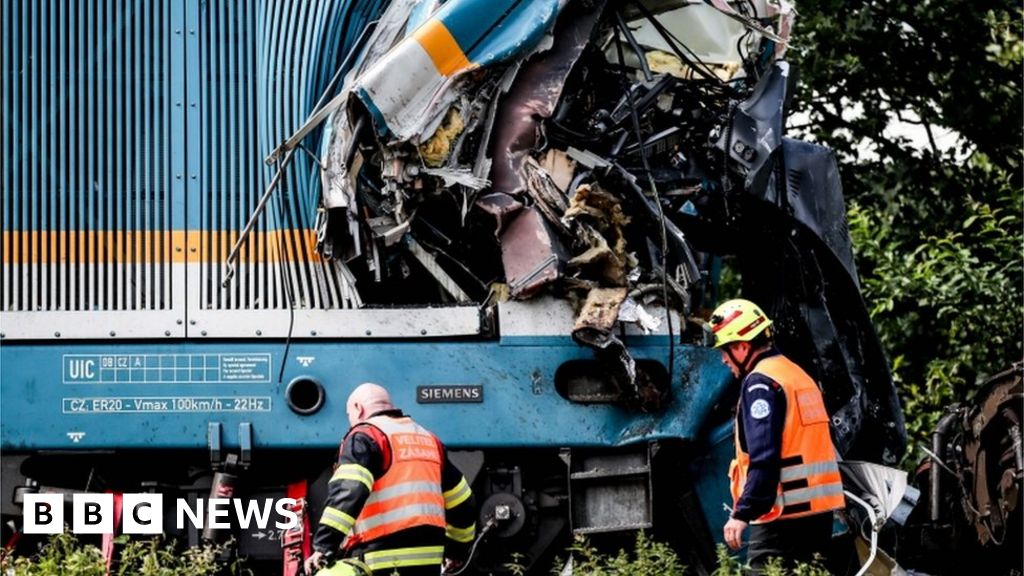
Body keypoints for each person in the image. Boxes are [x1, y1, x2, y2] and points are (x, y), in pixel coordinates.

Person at [709, 299, 845, 572]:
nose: (723, 359)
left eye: (725, 350)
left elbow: (764, 458)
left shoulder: (761, 383)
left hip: (782, 518)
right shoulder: (796, 375)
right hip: (817, 515)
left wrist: (742, 513)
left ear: (741, 346)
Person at [305, 382, 476, 576]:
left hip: (382, 559)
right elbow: (463, 503)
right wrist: (457, 552)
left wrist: (324, 546)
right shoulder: (429, 440)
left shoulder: (366, 436)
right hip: (429, 561)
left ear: (358, 409)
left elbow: (350, 491)